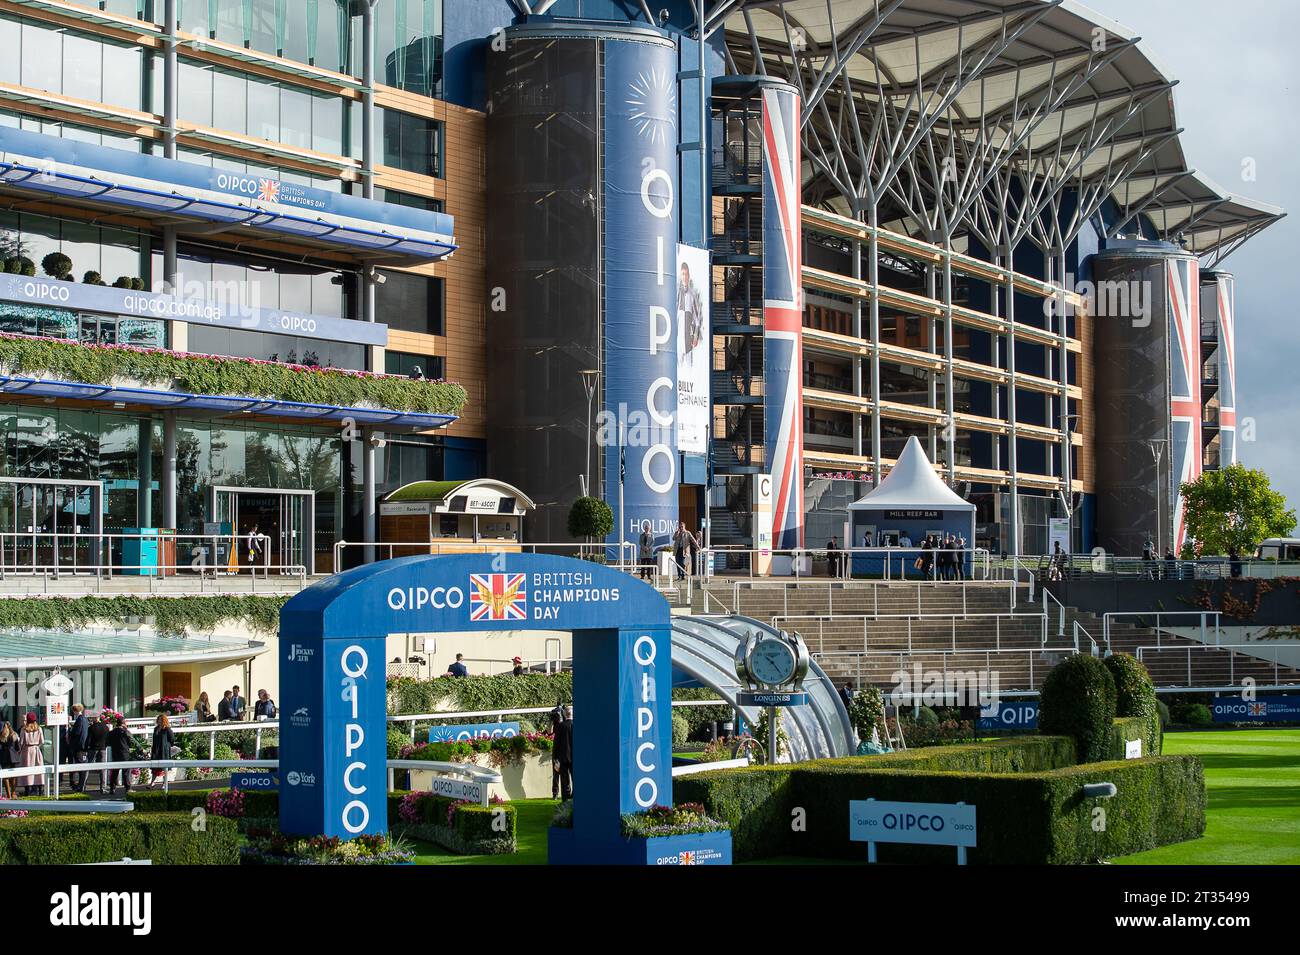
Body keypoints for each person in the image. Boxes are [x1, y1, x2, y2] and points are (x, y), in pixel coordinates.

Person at [64, 702, 90, 792]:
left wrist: (69, 731)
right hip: (83, 747)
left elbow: (77, 732)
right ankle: (82, 785)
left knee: (80, 767)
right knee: (82, 767)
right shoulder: (85, 720)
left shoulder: (79, 720)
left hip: (78, 747)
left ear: (75, 711)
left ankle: (81, 786)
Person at [551, 705, 573, 801]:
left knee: (564, 781)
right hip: (575, 757)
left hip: (563, 757)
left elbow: (556, 743)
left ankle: (565, 799)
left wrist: (555, 758)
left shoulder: (560, 726)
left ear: (564, 714)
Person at [19, 713, 44, 796]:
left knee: (27, 770)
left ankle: (27, 791)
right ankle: (40, 790)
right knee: (38, 770)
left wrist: (20, 750)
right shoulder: (39, 728)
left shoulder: (24, 729)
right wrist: (37, 746)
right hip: (36, 750)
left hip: (27, 751)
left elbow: (21, 742)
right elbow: (42, 741)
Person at [106, 715, 133, 794]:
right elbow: (130, 741)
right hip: (125, 753)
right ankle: (128, 788)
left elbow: (108, 742)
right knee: (126, 772)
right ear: (124, 723)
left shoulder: (112, 732)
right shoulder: (125, 731)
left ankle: (112, 788)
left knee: (115, 771)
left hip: (115, 753)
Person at [147, 714, 174, 788]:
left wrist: (167, 746)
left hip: (164, 751)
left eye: (160, 720)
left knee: (164, 767)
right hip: (156, 750)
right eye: (158, 720)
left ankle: (164, 784)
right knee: (155, 768)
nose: (159, 722)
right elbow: (154, 740)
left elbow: (172, 739)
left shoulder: (167, 729)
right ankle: (152, 783)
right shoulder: (156, 729)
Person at [87, 711, 111, 795]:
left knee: (87, 766)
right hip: (103, 748)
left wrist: (87, 747)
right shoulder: (106, 727)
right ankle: (103, 787)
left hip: (93, 748)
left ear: (94, 718)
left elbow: (88, 740)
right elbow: (108, 739)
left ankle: (83, 785)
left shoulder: (91, 728)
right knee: (103, 768)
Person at [0, 722, 19, 799]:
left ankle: (8, 795)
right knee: (13, 776)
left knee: (6, 777)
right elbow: (17, 747)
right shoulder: (14, 735)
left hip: (4, 757)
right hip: (13, 756)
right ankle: (13, 792)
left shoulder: (1, 735)